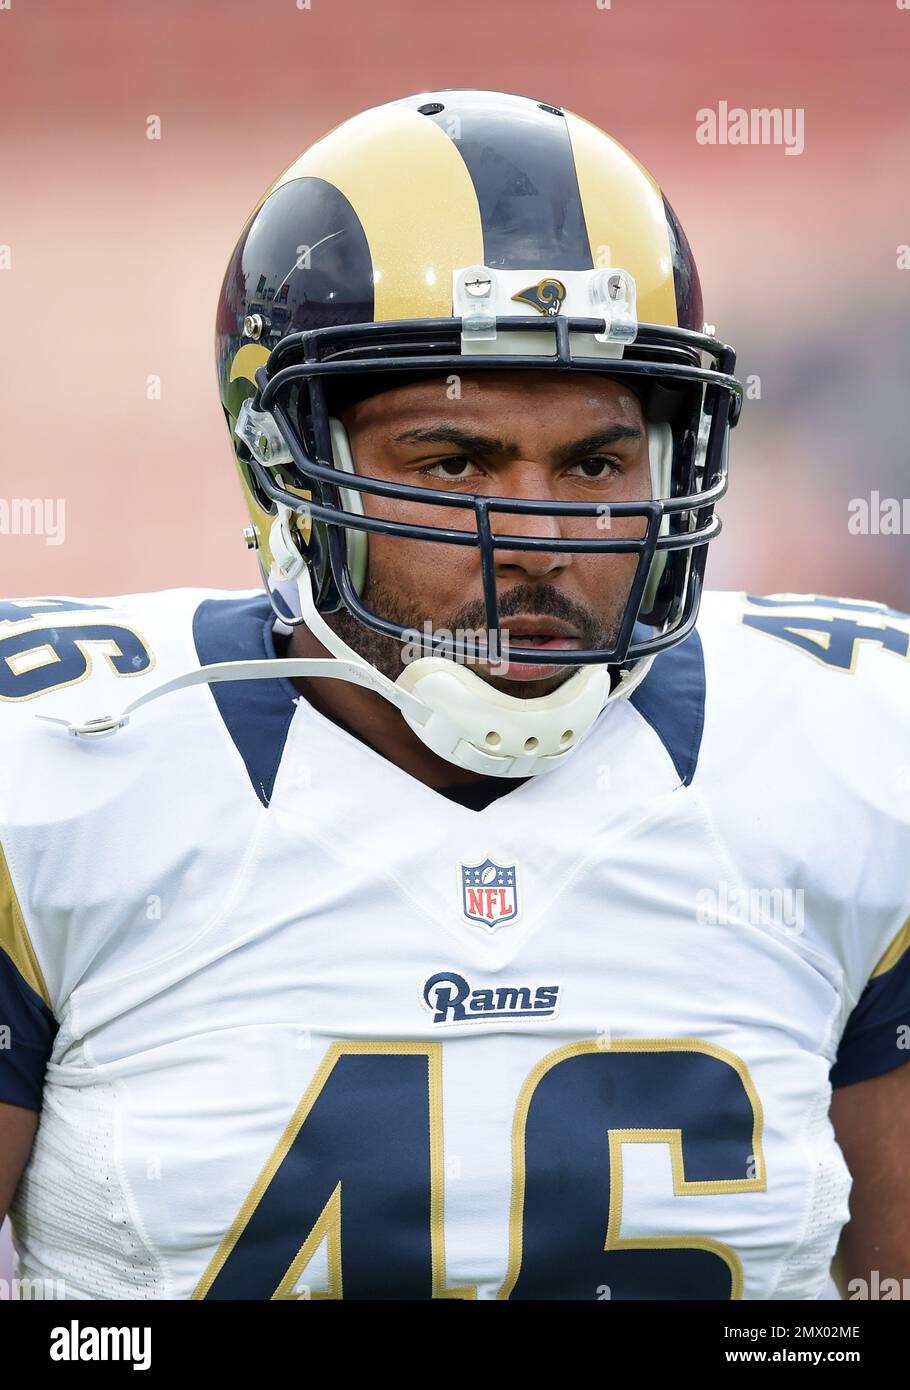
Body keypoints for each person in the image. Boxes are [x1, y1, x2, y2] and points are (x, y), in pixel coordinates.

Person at [1, 89, 907, 1301]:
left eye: (593, 461)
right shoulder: (62, 771)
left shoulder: (854, 751)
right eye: (453, 460)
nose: (536, 533)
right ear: (285, 460)